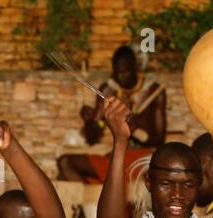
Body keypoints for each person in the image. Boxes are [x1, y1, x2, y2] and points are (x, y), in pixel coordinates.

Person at [55, 46, 166, 184]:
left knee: (66, 163)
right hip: (114, 155)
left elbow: (159, 140)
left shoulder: (153, 91)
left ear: (135, 67)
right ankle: (105, 195)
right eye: (117, 73)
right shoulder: (108, 90)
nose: (121, 77)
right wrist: (89, 122)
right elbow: (92, 137)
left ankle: (108, 194)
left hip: (142, 159)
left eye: (125, 72)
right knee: (63, 173)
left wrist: (135, 129)